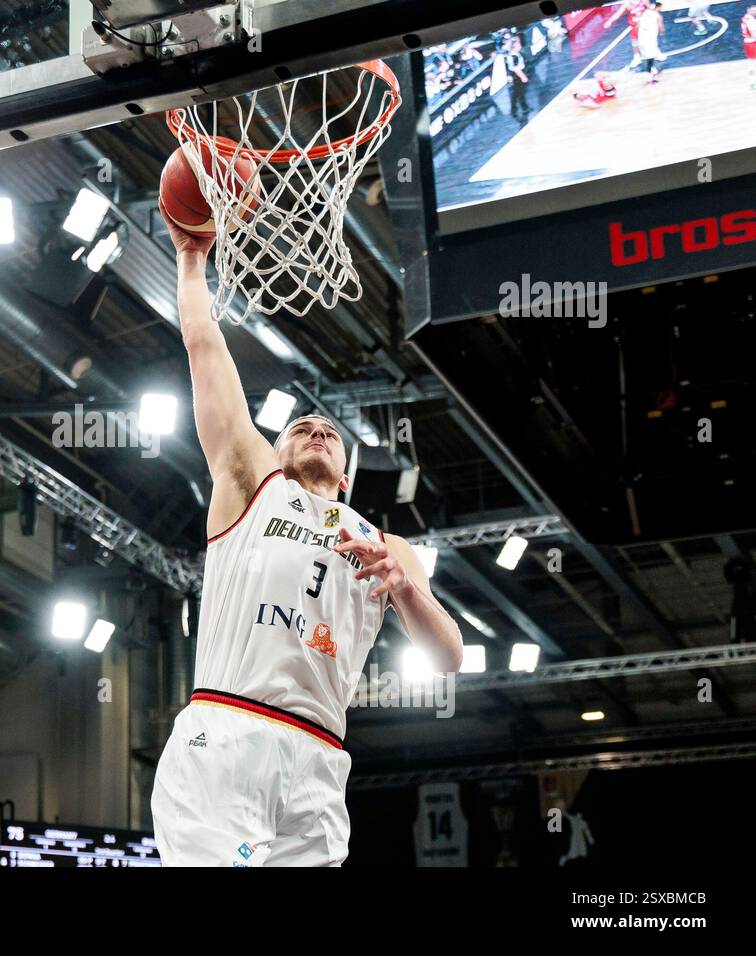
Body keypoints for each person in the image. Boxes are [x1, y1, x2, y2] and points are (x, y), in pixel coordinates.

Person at [148, 219, 463, 866]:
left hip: (319, 762)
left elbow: (449, 658)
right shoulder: (250, 482)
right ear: (277, 453)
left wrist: (404, 589)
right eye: (301, 428)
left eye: (329, 431)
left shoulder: (384, 546)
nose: (316, 428)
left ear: (346, 478)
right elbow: (205, 346)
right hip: (229, 734)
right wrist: (188, 260)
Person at [605, 0, 652, 68]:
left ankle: (651, 59)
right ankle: (637, 57)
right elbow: (618, 13)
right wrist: (610, 21)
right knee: (635, 43)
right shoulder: (627, 4)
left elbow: (650, 10)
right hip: (635, 26)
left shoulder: (644, 1)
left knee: (647, 43)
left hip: (644, 26)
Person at [637, 0, 668, 82]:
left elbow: (638, 25)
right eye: (661, 7)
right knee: (650, 56)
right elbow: (661, 26)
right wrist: (662, 32)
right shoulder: (658, 15)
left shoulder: (645, 12)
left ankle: (652, 70)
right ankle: (649, 72)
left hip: (641, 37)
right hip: (650, 37)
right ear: (658, 7)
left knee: (647, 54)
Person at [504, 34, 532, 121]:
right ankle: (523, 107)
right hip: (517, 75)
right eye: (518, 44)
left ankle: (514, 108)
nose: (520, 45)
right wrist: (523, 76)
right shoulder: (514, 56)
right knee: (519, 92)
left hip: (517, 75)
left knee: (517, 92)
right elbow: (516, 68)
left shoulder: (515, 54)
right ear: (514, 47)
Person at [744, 5, 756, 90]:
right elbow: (754, 34)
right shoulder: (751, 21)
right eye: (753, 11)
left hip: (747, 43)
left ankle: (752, 82)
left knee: (751, 63)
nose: (755, 12)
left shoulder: (745, 17)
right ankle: (753, 82)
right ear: (748, 10)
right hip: (753, 43)